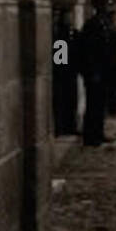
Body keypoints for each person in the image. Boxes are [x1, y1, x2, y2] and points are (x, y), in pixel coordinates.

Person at [78, 0, 114, 146]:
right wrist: (93, 71)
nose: (107, 7)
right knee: (93, 104)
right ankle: (90, 136)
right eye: (105, 5)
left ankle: (98, 133)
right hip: (95, 72)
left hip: (103, 70)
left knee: (100, 103)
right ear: (98, 6)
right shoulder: (92, 25)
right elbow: (88, 51)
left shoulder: (103, 23)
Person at [52, 7, 79, 136]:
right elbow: (59, 60)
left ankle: (71, 126)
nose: (70, 19)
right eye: (67, 17)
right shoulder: (60, 36)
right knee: (62, 102)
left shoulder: (72, 33)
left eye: (71, 17)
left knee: (72, 101)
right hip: (63, 75)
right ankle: (62, 128)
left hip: (71, 73)